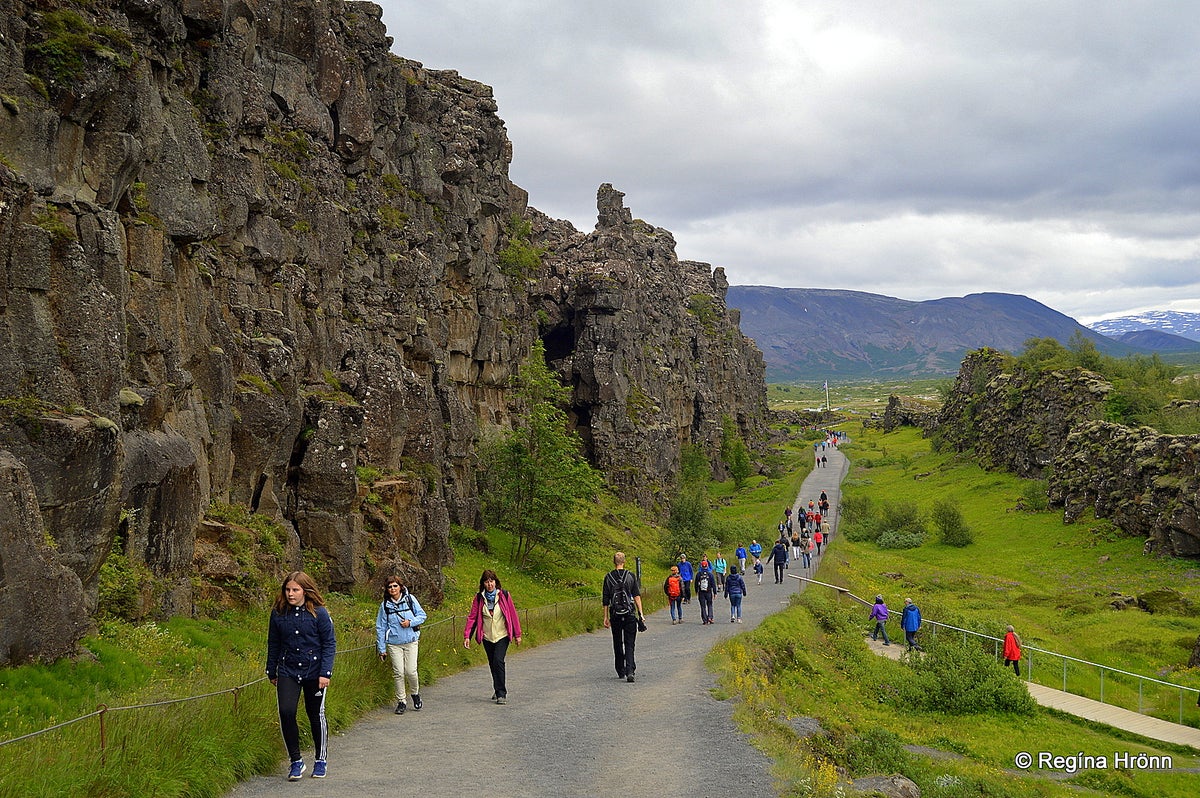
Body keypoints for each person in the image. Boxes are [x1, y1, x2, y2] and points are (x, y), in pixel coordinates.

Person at [266, 571, 336, 781]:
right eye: (287, 590)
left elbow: (329, 643)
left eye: (295, 590)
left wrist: (325, 672)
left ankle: (320, 759)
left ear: (305, 591)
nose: (290, 594)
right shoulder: (278, 613)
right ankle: (296, 761)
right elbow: (273, 642)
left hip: (314, 671)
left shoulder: (319, 613)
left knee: (315, 714)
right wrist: (271, 669)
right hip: (288, 669)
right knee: (286, 712)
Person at [463, 569, 522, 704]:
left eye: (491, 581)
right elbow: (472, 618)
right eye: (486, 582)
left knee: (498, 661)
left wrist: (517, 635)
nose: (489, 584)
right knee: (492, 663)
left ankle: (501, 693)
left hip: (502, 635)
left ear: (496, 582)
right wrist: (467, 636)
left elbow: (513, 615)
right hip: (487, 637)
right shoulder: (479, 598)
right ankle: (497, 688)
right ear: (483, 584)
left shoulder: (504, 596)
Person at [375, 575, 427, 715]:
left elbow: (422, 616)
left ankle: (415, 694)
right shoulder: (385, 605)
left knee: (411, 671)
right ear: (387, 589)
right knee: (398, 672)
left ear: (400, 587)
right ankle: (401, 701)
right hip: (394, 643)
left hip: (411, 641)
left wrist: (410, 623)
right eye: (390, 587)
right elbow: (380, 627)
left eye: (395, 586)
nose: (392, 589)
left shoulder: (410, 599)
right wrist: (382, 648)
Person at [602, 552, 645, 682]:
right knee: (629, 643)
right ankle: (630, 670)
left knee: (617, 642)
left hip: (615, 614)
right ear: (624, 561)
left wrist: (605, 617)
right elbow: (636, 596)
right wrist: (641, 614)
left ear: (613, 562)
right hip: (629, 614)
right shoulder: (630, 576)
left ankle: (620, 669)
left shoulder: (608, 577)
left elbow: (605, 599)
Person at [694, 560, 717, 624]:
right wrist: (715, 592)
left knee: (703, 606)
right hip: (708, 591)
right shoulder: (710, 574)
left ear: (701, 566)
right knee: (709, 605)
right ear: (707, 566)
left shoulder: (698, 574)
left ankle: (705, 620)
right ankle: (710, 617)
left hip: (701, 592)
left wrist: (696, 591)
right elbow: (713, 584)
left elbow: (696, 583)